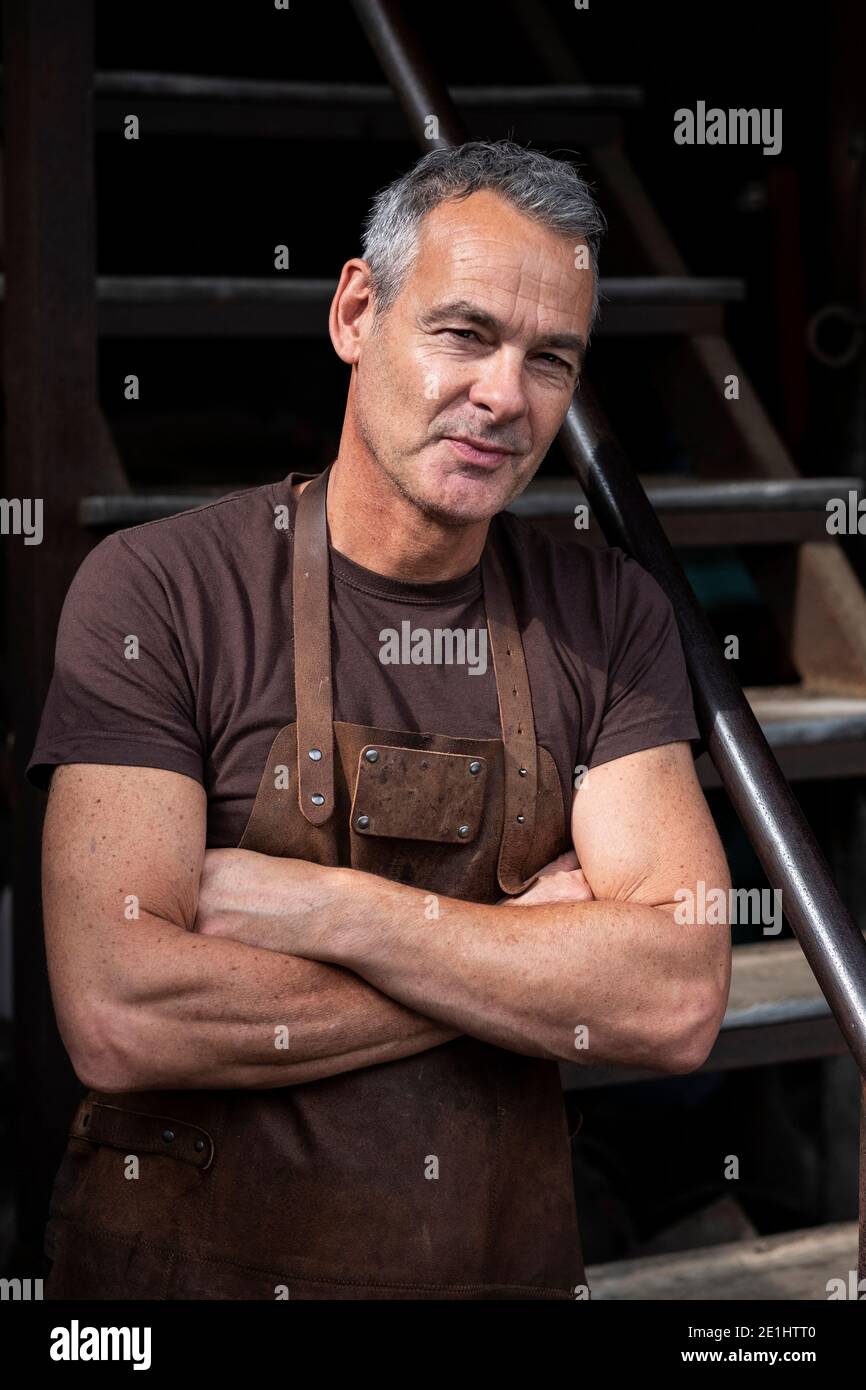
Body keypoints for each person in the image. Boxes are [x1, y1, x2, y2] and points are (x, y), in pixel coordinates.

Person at [28, 140, 731, 1301]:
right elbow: (120, 1011)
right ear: (357, 310)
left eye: (548, 358)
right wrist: (520, 954)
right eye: (464, 333)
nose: (505, 395)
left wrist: (330, 907)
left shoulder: (606, 615)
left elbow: (672, 998)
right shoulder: (157, 593)